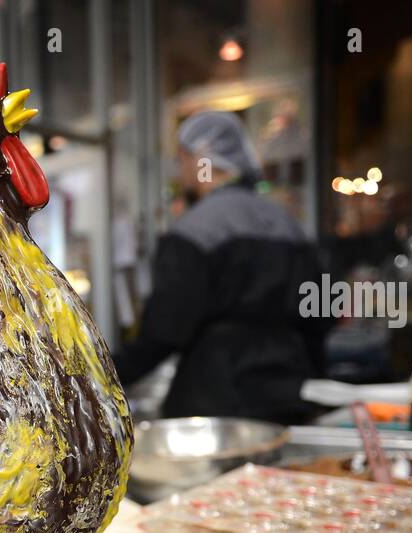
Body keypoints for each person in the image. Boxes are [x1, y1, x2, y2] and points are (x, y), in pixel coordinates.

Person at [114, 111, 328, 424]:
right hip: (288, 397)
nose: (180, 172)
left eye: (181, 159)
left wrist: (105, 375)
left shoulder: (194, 230)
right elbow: (319, 318)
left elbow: (163, 333)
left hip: (218, 406)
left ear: (199, 159)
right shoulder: (291, 227)